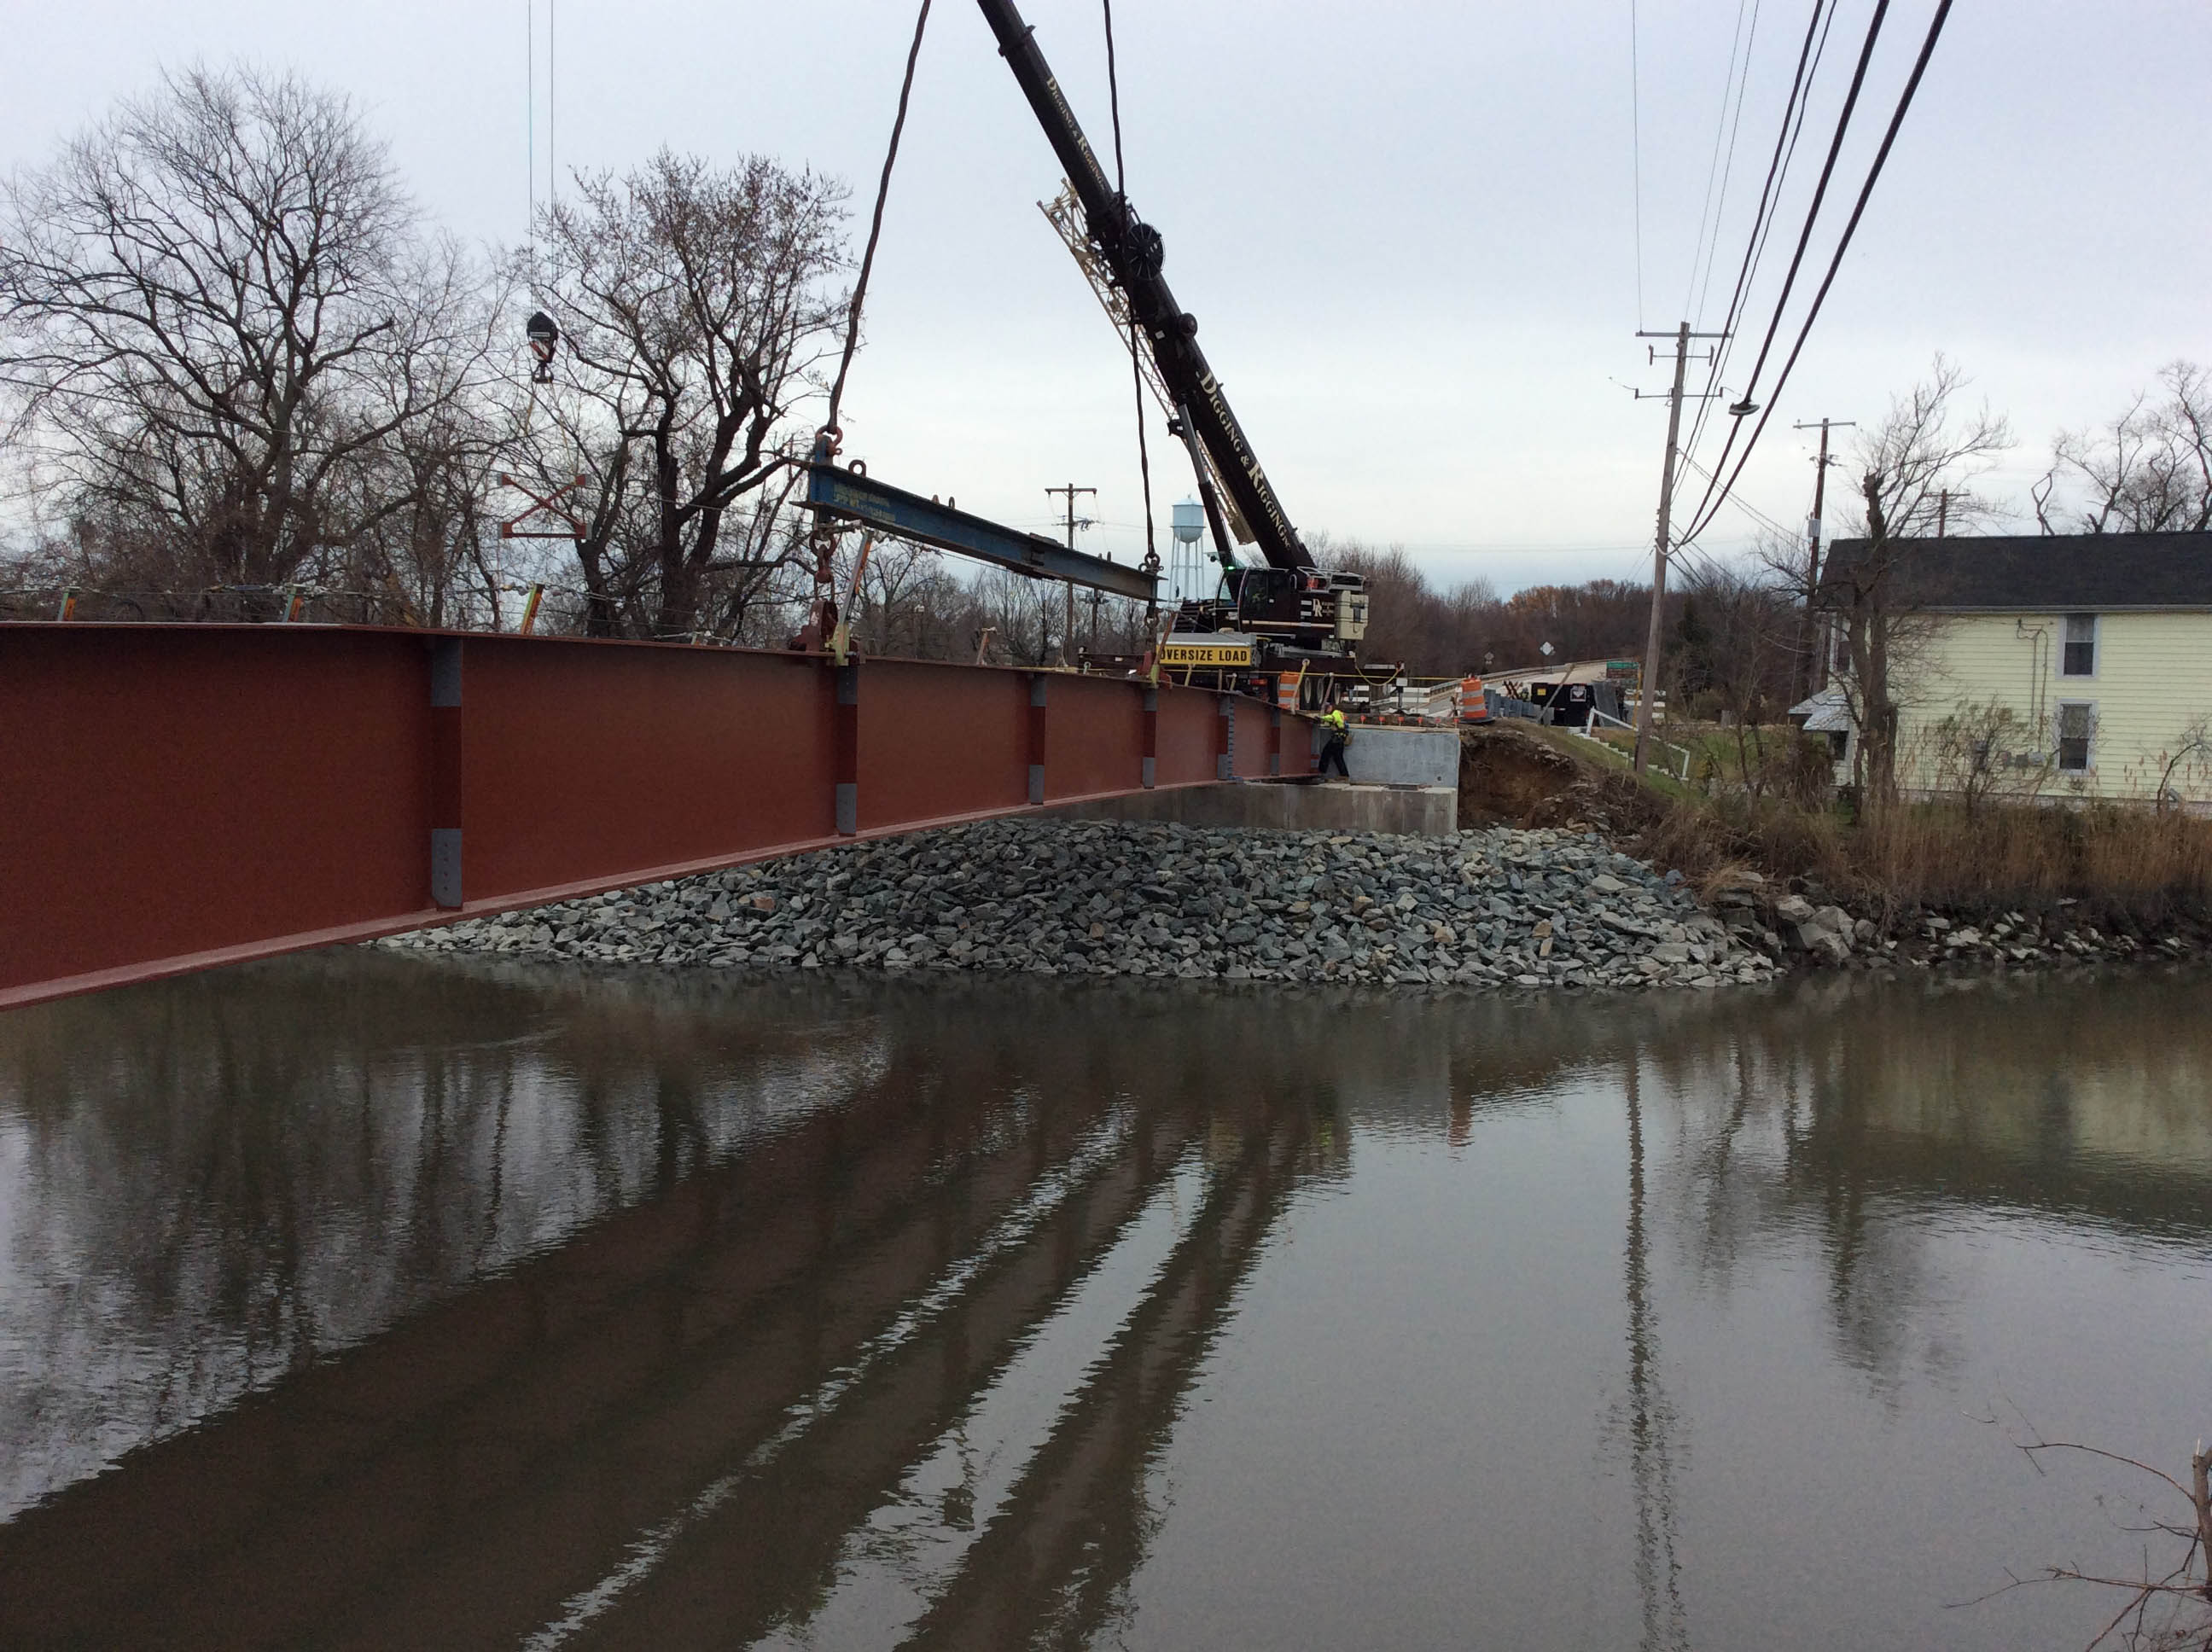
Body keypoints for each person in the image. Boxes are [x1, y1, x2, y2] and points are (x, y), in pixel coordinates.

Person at [1318, 701, 1351, 777]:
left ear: (1330, 707)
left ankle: (1321, 773)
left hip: (1337, 738)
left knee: (1326, 753)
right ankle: (1344, 775)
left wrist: (1321, 718)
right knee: (1338, 758)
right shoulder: (1339, 713)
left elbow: (1332, 718)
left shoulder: (1335, 713)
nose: (1326, 712)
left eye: (1326, 710)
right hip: (1341, 738)